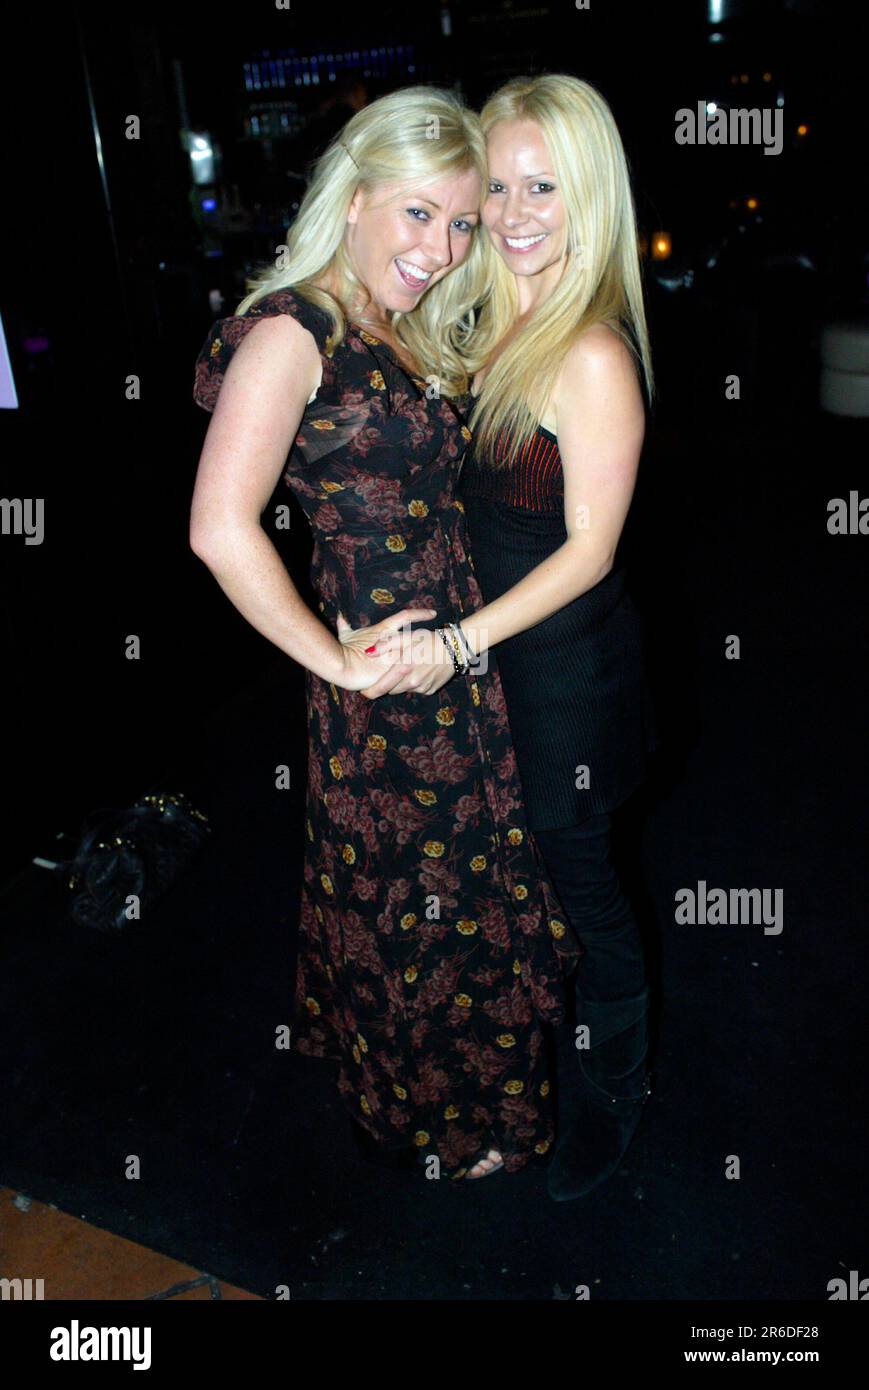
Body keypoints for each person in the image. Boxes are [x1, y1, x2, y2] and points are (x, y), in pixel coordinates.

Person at [189, 86, 579, 1183]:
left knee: (453, 890)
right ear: (353, 197)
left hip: (448, 662)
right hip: (386, 684)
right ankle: (437, 1126)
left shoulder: (386, 320)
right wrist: (335, 660)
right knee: (417, 905)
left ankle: (476, 1109)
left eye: (460, 222)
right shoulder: (290, 331)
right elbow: (219, 530)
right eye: (418, 214)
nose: (442, 247)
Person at [362, 74, 659, 1201]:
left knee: (580, 890)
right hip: (496, 670)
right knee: (519, 892)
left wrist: (458, 644)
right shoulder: (488, 320)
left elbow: (588, 549)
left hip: (562, 684)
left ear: (589, 199)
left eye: (545, 185)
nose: (516, 209)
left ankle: (616, 1092)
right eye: (496, 183)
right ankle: (513, 1079)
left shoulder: (588, 353)